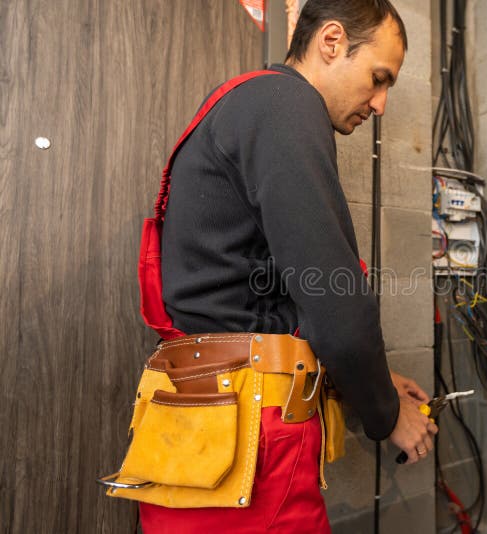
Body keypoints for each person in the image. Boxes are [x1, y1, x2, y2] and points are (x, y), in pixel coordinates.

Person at [138, 0, 437, 532]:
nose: (382, 103)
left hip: (200, 428)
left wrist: (377, 379)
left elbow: (257, 299)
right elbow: (335, 306)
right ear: (331, 41)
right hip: (248, 432)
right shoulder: (286, 106)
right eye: (378, 78)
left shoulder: (245, 103)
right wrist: (388, 414)